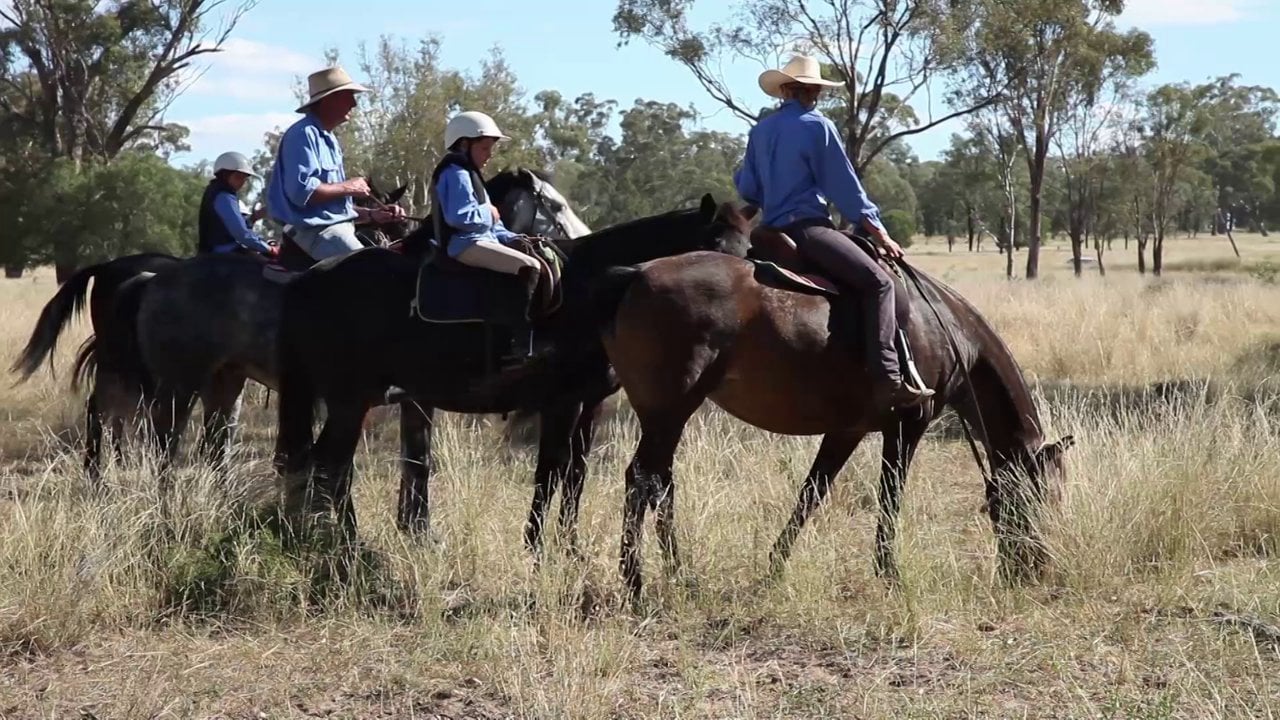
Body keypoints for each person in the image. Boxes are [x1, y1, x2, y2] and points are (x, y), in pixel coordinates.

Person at [734, 54, 934, 409]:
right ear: (814, 92)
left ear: (783, 90)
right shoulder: (817, 126)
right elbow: (845, 189)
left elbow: (747, 188)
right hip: (807, 229)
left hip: (768, 234)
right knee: (880, 283)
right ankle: (888, 377)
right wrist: (880, 233)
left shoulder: (760, 131)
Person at [431, 110, 542, 366]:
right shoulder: (456, 173)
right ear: (463, 144)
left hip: (480, 240)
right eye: (484, 148)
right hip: (463, 245)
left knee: (531, 255)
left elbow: (495, 227)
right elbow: (460, 217)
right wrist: (489, 212)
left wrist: (517, 238)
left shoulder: (470, 173)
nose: (489, 155)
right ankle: (521, 343)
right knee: (529, 267)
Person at [265, 66, 402, 261]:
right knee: (378, 271)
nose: (354, 103)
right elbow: (301, 192)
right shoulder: (303, 134)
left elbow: (333, 209)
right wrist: (348, 187)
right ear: (330, 99)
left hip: (334, 231)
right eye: (349, 96)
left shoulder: (328, 139)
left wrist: (373, 215)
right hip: (315, 235)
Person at [197, 150, 275, 258]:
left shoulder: (215, 191)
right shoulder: (224, 196)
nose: (242, 182)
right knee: (269, 269)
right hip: (223, 254)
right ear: (224, 174)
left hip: (215, 253)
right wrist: (269, 249)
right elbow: (242, 234)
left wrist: (254, 217)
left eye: (244, 178)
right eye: (238, 177)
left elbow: (231, 227)